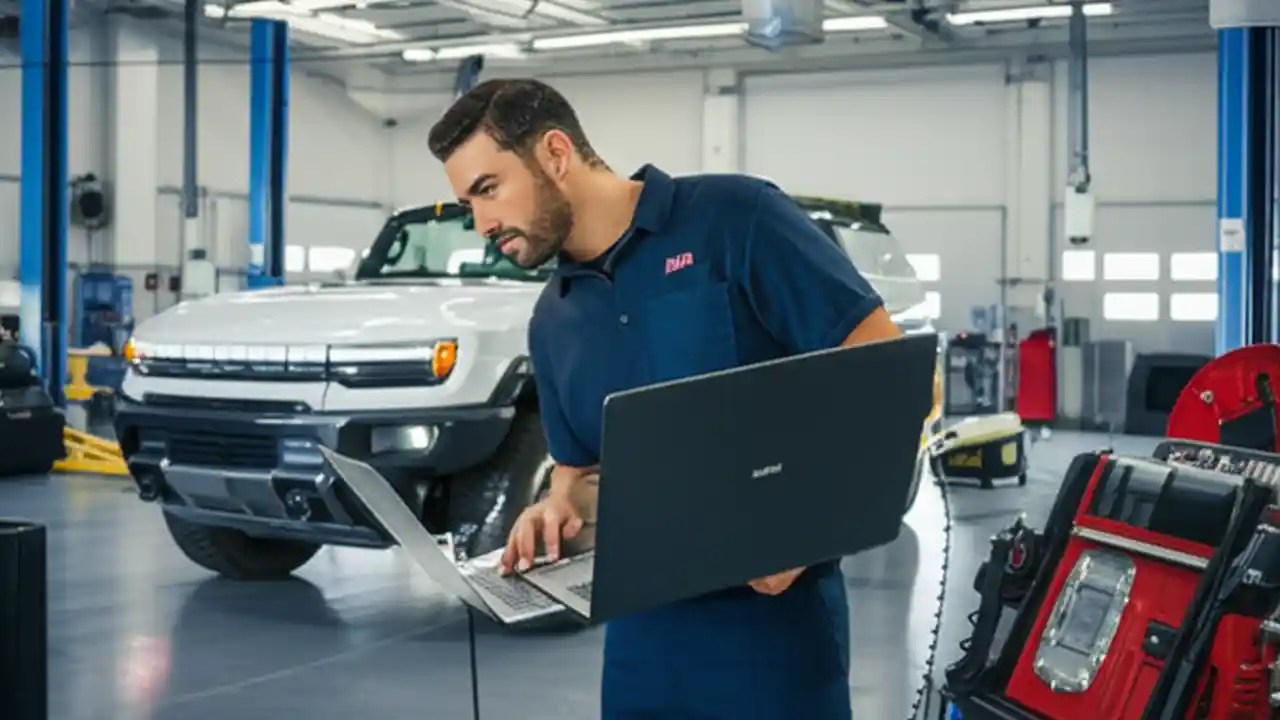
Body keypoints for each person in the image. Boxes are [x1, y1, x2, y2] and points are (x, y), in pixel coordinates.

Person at [428, 78, 911, 720]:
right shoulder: (552, 320)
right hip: (641, 653)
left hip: (774, 641)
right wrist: (556, 508)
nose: (482, 224)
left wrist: (806, 527)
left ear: (555, 154)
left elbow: (885, 373)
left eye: (488, 190)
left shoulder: (736, 219)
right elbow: (580, 476)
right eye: (469, 204)